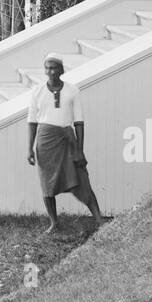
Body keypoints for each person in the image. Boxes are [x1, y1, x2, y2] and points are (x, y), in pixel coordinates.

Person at [27, 53, 105, 235]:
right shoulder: (37, 91)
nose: (50, 71)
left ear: (61, 70)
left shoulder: (72, 91)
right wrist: (29, 148)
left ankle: (99, 219)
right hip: (45, 142)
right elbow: (32, 122)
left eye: (54, 67)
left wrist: (80, 149)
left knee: (81, 179)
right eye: (47, 67)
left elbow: (79, 121)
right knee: (47, 183)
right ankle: (54, 223)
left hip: (67, 140)